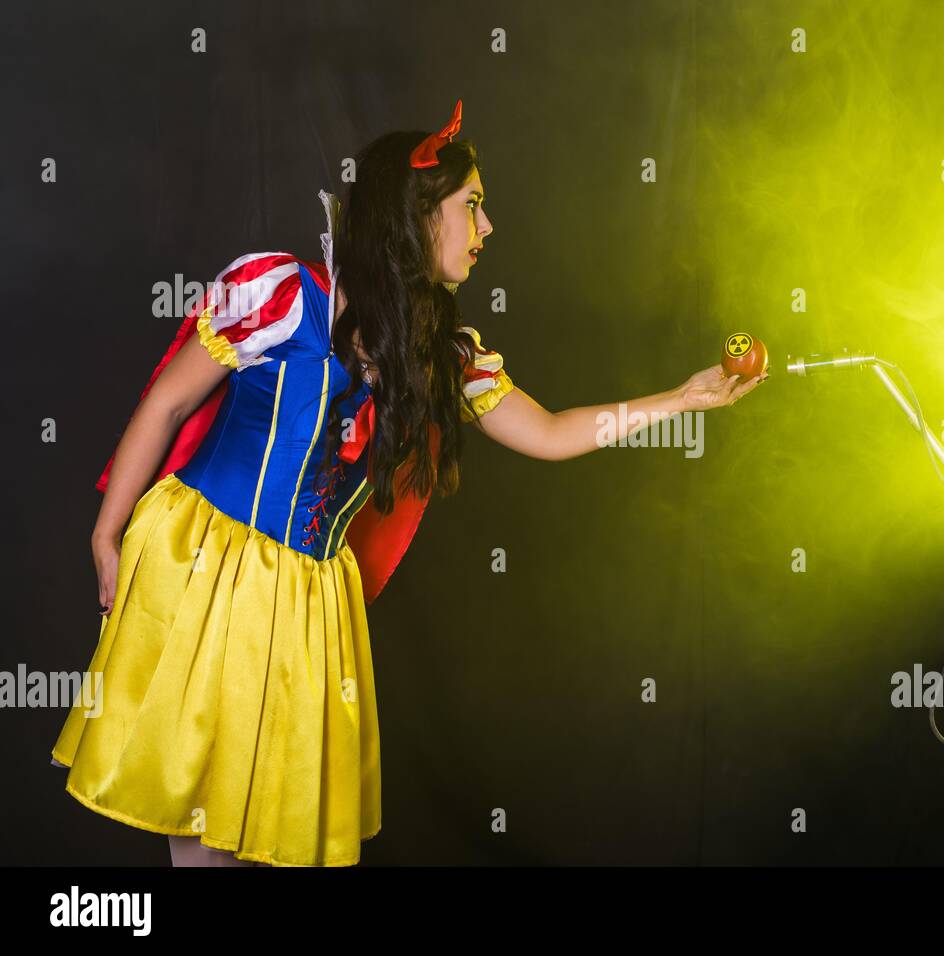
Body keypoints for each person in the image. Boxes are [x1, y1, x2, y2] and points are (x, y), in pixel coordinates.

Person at [50, 100, 766, 867]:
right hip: (206, 569)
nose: (488, 230)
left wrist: (681, 400)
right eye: (475, 207)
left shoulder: (443, 354)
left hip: (307, 601)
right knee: (196, 823)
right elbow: (169, 401)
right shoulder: (282, 293)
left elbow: (552, 433)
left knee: (256, 824)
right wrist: (105, 532)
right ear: (419, 214)